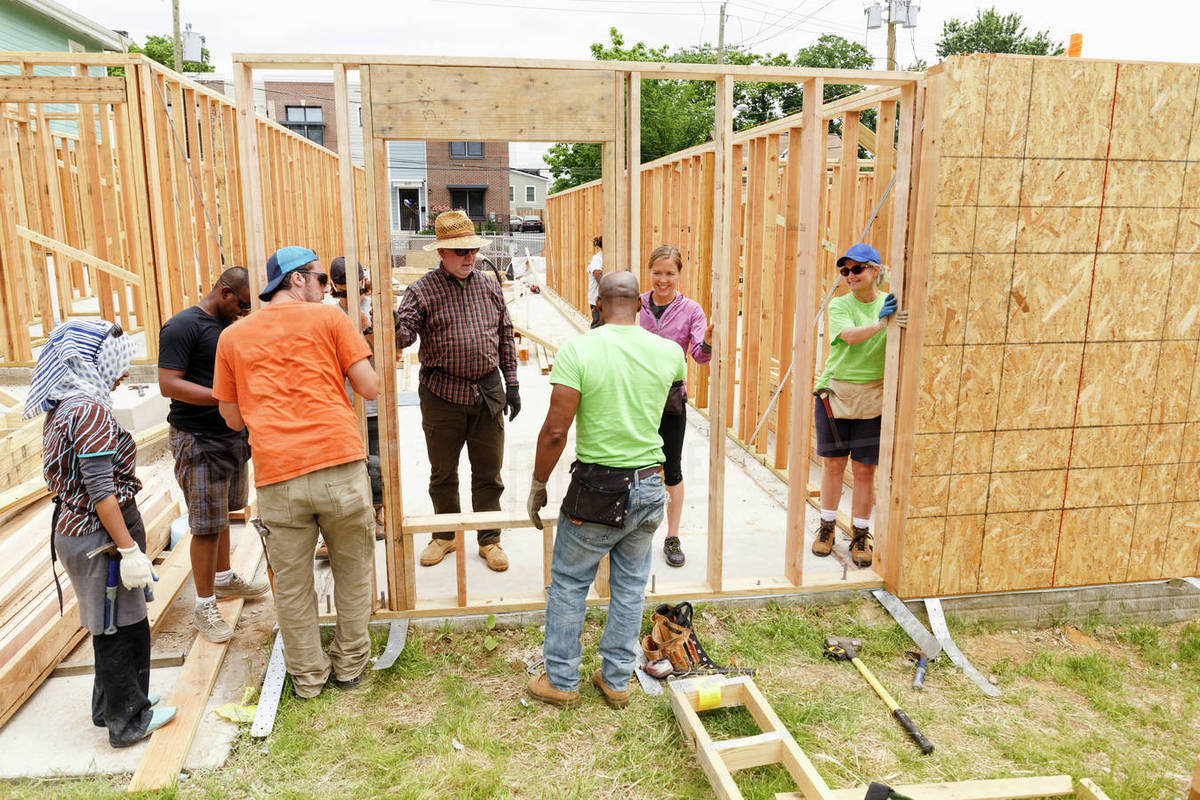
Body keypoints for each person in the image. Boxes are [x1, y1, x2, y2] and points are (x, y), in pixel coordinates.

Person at [212, 246, 379, 699]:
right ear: (298, 280)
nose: (326, 288)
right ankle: (350, 667)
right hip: (339, 465)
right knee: (352, 571)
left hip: (278, 475)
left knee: (291, 584)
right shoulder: (330, 320)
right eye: (321, 279)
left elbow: (230, 418)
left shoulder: (233, 338)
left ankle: (307, 679)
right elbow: (369, 386)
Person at [526, 272, 686, 709]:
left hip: (598, 488)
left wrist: (539, 484)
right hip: (650, 486)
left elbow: (556, 431)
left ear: (597, 305)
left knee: (569, 584)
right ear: (640, 304)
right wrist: (667, 476)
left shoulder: (578, 350)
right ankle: (616, 680)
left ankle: (560, 681)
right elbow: (673, 420)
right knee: (631, 586)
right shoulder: (670, 353)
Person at [27, 320, 177, 746]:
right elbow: (101, 492)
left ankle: (112, 704)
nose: (125, 373)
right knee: (121, 626)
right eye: (118, 364)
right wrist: (128, 549)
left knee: (108, 622)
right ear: (92, 361)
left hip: (76, 530)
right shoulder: (89, 411)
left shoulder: (65, 403)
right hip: (99, 536)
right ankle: (128, 721)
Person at [395, 210, 520, 573]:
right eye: (460, 251)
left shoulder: (489, 285)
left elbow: (505, 333)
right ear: (442, 254)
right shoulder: (421, 291)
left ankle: (489, 538)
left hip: (486, 393)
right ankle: (445, 534)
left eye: (472, 251)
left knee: (488, 472)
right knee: (443, 472)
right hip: (442, 396)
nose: (469, 257)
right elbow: (404, 337)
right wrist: (390, 323)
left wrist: (511, 384)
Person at [158, 268, 269, 644]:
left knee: (223, 513)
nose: (244, 311)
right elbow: (168, 383)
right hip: (198, 437)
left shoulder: (228, 329)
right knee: (204, 525)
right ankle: (204, 605)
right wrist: (223, 396)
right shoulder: (182, 326)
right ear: (224, 293)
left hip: (230, 434)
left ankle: (222, 580)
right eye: (240, 304)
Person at [811, 243, 906, 567]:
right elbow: (848, 336)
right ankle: (826, 527)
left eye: (857, 269)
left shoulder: (890, 305)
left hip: (873, 397)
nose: (850, 276)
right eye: (845, 271)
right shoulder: (840, 306)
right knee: (834, 465)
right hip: (837, 394)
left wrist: (897, 320)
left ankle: (861, 533)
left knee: (865, 470)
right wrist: (881, 324)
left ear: (875, 271)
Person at [638, 244, 714, 568]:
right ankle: (639, 535)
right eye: (657, 272)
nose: (663, 279)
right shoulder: (636, 305)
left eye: (670, 273)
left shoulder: (692, 311)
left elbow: (699, 355)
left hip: (670, 401)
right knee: (640, 467)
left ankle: (672, 535)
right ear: (650, 272)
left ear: (679, 274)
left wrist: (709, 339)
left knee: (671, 469)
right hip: (637, 398)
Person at [329, 256, 384, 542]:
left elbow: (392, 354)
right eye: (342, 292)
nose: (348, 297)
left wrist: (367, 327)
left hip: (375, 404)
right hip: (343, 404)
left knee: (377, 462)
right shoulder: (329, 314)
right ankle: (351, 519)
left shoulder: (377, 307)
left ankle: (378, 515)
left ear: (363, 282)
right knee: (348, 465)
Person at [586, 235, 603, 328]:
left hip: (607, 300)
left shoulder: (611, 258)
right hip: (597, 301)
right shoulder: (597, 259)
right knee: (598, 327)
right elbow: (597, 275)